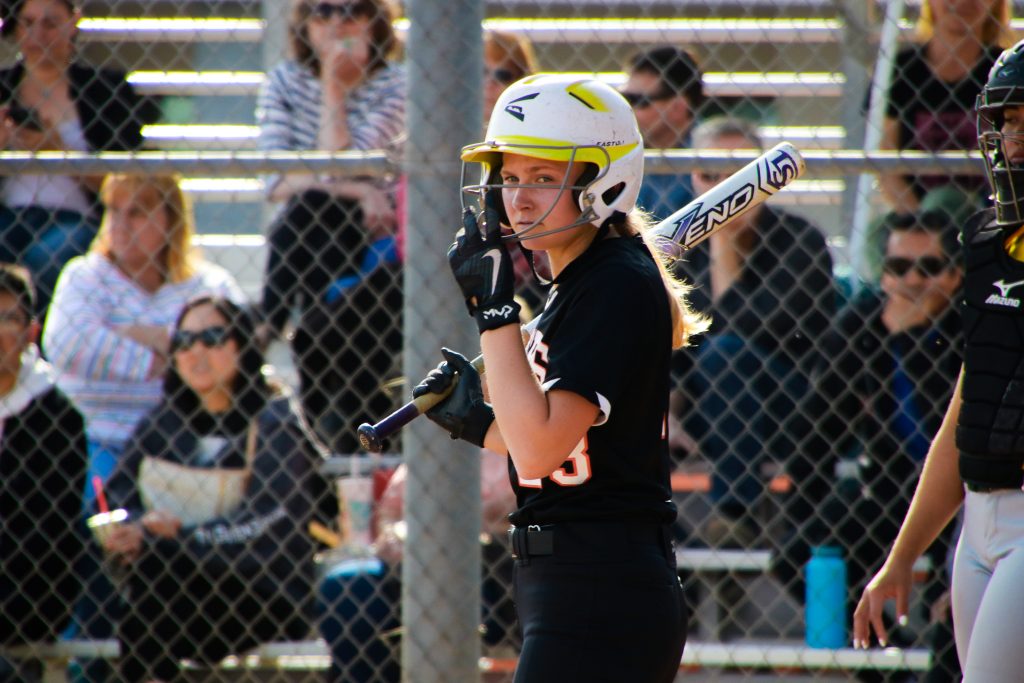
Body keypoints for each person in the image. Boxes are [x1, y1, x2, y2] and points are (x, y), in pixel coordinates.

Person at [412, 74, 703, 683]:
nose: (517, 198)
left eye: (544, 178)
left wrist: (494, 314)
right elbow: (553, 444)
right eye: (511, 177)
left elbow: (543, 451)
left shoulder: (613, 282)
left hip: (604, 586)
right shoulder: (583, 282)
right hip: (572, 584)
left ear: (604, 182)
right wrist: (475, 422)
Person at [853, 39, 1024, 680]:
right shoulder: (989, 241)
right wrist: (902, 559)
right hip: (978, 519)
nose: (1013, 141)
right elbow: (967, 410)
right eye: (1007, 121)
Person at [42, 174, 242, 682]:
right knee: (103, 514)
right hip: (94, 435)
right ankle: (94, 660)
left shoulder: (207, 285)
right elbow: (65, 344)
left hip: (179, 442)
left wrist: (130, 337)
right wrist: (163, 353)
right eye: (114, 211)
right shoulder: (84, 276)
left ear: (170, 221)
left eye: (138, 212)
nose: (121, 225)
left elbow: (238, 354)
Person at [99, 296, 332, 683]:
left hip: (260, 592)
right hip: (177, 588)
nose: (197, 351)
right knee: (151, 571)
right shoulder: (161, 424)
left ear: (240, 344)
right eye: (184, 342)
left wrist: (181, 537)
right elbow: (119, 496)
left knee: (157, 569)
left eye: (212, 336)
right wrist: (134, 527)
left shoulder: (273, 421)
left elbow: (266, 521)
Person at [775, 211, 962, 676]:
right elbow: (817, 426)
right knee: (797, 552)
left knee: (955, 594)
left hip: (965, 493)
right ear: (883, 274)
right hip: (892, 490)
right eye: (899, 268)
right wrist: (804, 514)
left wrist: (915, 339)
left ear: (956, 275)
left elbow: (946, 420)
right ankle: (884, 660)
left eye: (929, 267)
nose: (913, 280)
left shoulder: (972, 324)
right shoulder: (862, 319)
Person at [671, 116, 835, 546]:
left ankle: (735, 511)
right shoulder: (679, 253)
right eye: (710, 176)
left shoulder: (800, 240)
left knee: (725, 353)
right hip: (705, 411)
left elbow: (747, 329)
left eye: (737, 178)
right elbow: (670, 347)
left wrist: (723, 243)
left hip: (790, 408)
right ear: (692, 179)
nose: (723, 192)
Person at [257, 0, 405, 449]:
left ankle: (269, 321)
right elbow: (274, 179)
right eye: (324, 11)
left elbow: (332, 164)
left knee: (312, 206)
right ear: (303, 23)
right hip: (319, 235)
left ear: (376, 22)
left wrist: (333, 89)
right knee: (311, 208)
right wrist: (360, 188)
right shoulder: (284, 80)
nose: (338, 24)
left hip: (372, 236)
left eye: (353, 10)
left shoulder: (398, 83)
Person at [0, 0, 159, 316]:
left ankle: (42, 345)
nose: (37, 35)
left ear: (73, 23)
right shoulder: (4, 87)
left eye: (50, 23)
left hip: (74, 217)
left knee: (49, 259)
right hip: (10, 212)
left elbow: (128, 182)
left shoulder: (105, 90)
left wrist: (60, 153)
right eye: (28, 23)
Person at [317, 455, 519, 683]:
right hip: (414, 561)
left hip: (492, 566)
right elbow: (389, 513)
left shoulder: (521, 442)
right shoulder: (436, 439)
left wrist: (474, 519)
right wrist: (394, 538)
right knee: (346, 586)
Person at [862, 0, 1012, 278]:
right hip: (913, 209)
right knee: (877, 234)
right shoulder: (900, 69)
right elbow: (885, 160)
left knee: (947, 199)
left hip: (986, 209)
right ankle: (887, 313)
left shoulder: (1007, 72)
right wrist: (921, 221)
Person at [0, 264, 87, 682]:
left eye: (8, 319)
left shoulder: (57, 416)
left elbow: (48, 531)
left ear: (31, 333)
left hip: (27, 591)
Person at [621, 45, 704, 222]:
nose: (627, 109)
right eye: (624, 98)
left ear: (678, 106)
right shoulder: (621, 153)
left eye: (637, 100)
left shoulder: (711, 155)